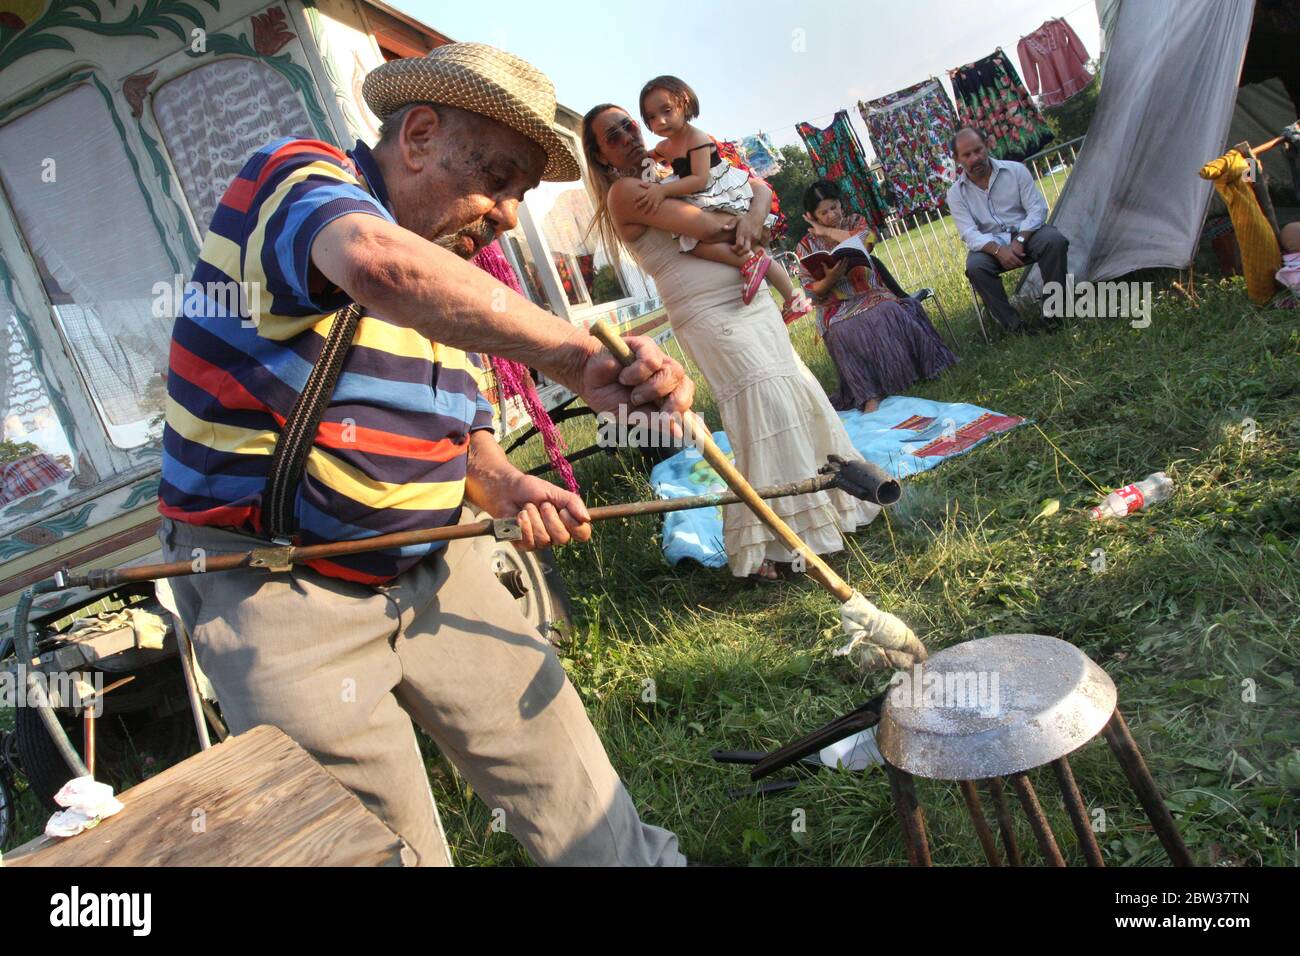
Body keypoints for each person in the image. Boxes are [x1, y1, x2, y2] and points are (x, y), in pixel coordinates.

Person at [157, 44, 694, 866]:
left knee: (572, 785)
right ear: (417, 137)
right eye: (500, 179)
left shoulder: (448, 276)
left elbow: (456, 429)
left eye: (520, 194)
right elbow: (375, 266)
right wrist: (573, 355)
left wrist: (507, 484)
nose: (510, 214)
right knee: (368, 844)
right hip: (278, 586)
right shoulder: (299, 179)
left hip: (437, 557)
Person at [582, 104, 879, 583]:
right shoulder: (626, 192)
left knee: (794, 390)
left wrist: (754, 210)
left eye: (628, 126)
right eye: (612, 137)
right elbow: (709, 226)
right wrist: (749, 218)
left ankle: (835, 510)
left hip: (750, 293)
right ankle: (774, 547)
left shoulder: (668, 169)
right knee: (761, 406)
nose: (627, 136)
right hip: (705, 308)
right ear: (600, 155)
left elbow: (752, 192)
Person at [634, 75, 811, 324]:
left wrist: (662, 191)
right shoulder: (666, 145)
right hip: (705, 195)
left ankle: (747, 263)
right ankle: (792, 297)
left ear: (684, 103)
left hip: (719, 193)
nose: (660, 121)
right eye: (651, 117)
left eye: (666, 110)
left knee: (693, 242)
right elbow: (652, 156)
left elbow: (698, 179)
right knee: (756, 248)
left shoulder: (696, 138)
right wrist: (647, 165)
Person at [796, 181, 957, 413]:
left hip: (869, 292)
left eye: (834, 207)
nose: (832, 214)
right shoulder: (805, 245)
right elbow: (811, 291)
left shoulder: (855, 223)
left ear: (841, 204)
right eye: (824, 212)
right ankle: (868, 393)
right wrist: (831, 279)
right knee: (841, 331)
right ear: (811, 216)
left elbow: (866, 241)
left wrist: (827, 232)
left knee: (887, 311)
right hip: (835, 305)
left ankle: (907, 374)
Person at [947, 126, 1069, 333]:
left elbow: (1037, 209)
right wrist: (997, 250)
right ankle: (1015, 327)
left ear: (987, 145)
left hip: (1027, 233)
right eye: (967, 155)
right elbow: (969, 233)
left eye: (978, 150)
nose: (975, 158)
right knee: (976, 267)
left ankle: (1055, 316)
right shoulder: (956, 194)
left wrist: (1020, 239)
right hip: (990, 244)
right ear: (957, 159)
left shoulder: (1015, 170)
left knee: (1054, 241)